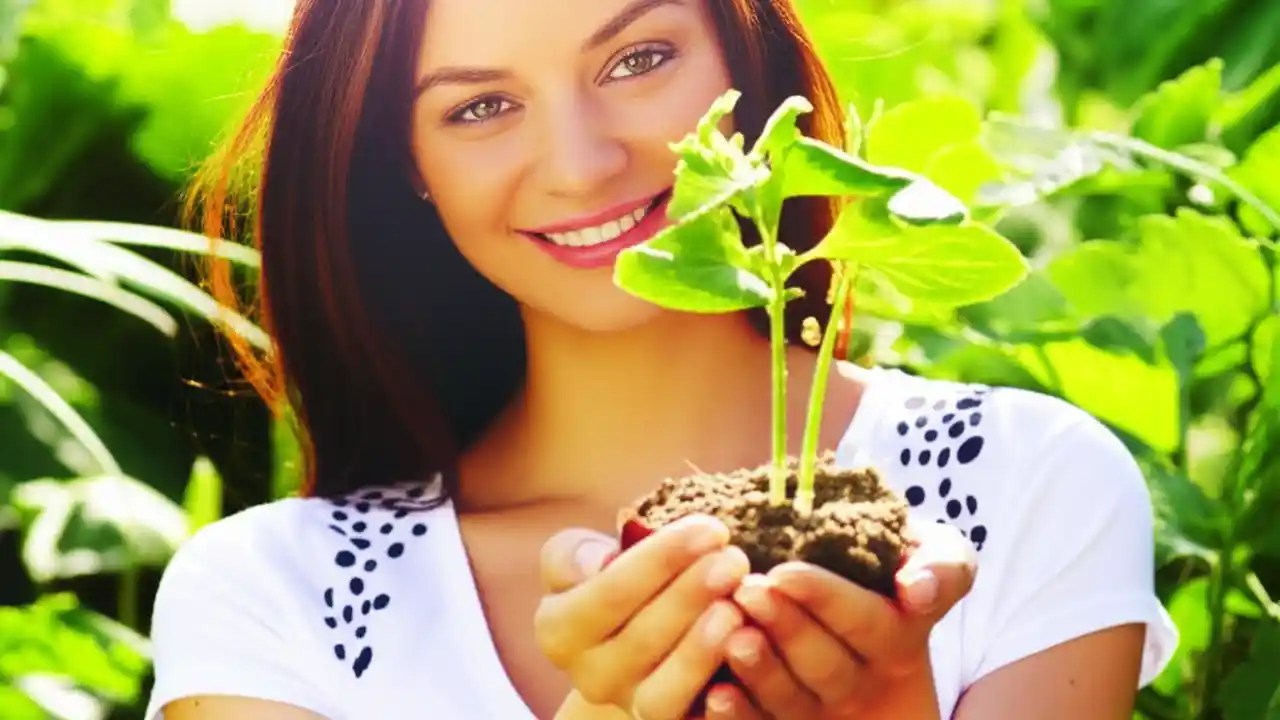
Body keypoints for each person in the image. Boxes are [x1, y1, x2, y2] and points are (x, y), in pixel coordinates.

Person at [144, 0, 1178, 718]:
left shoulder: (1026, 483)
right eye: (478, 107)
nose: (581, 161)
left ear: (746, 57)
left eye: (637, 59)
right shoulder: (269, 598)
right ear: (402, 166)